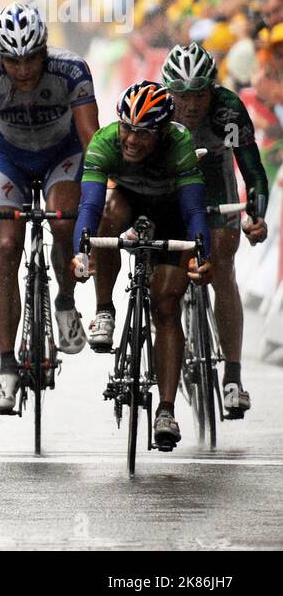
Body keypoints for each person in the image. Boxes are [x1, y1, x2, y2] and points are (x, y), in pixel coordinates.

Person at [87, 45, 270, 418]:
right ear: (169, 91)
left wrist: (256, 214)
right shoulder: (155, 109)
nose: (190, 104)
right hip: (169, 190)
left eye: (199, 94)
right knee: (161, 281)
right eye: (182, 95)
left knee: (221, 263)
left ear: (212, 90)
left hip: (214, 184)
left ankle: (232, 376)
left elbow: (252, 171)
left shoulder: (227, 110)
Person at [0, 3, 99, 412]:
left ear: (45, 50)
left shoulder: (72, 70)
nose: (22, 69)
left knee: (62, 225)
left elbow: (91, 137)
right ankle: (6, 367)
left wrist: (96, 192)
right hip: (9, 159)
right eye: (12, 61)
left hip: (63, 153)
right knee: (6, 247)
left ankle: (65, 301)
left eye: (31, 58)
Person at [71, 81, 213, 450]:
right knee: (108, 214)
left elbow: (195, 212)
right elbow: (88, 206)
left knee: (166, 306)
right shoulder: (104, 141)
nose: (131, 140)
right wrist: (81, 251)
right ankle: (105, 310)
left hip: (172, 213)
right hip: (129, 204)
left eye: (144, 133)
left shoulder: (179, 145)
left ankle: (166, 410)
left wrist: (201, 257)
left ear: (162, 132)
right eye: (127, 128)